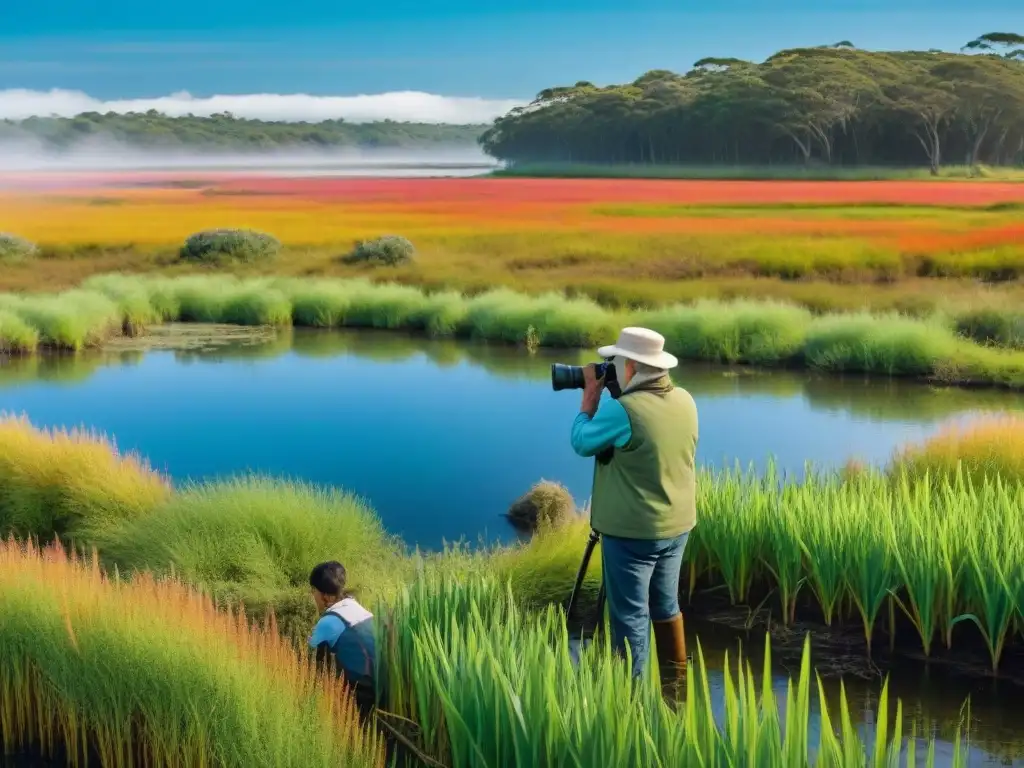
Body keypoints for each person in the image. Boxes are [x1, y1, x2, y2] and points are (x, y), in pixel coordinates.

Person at [570, 327, 698, 684]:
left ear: (630, 368)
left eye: (615, 363)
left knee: (629, 619)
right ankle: (676, 690)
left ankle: (631, 708)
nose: (611, 368)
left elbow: (581, 442)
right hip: (677, 527)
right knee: (665, 607)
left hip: (633, 535)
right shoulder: (686, 400)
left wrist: (588, 404)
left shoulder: (624, 410)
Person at [308, 560, 378, 717]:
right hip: (383, 679)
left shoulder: (327, 622)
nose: (313, 596)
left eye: (314, 591)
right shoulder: (357, 607)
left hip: (363, 692)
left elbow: (309, 657)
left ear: (324, 595)